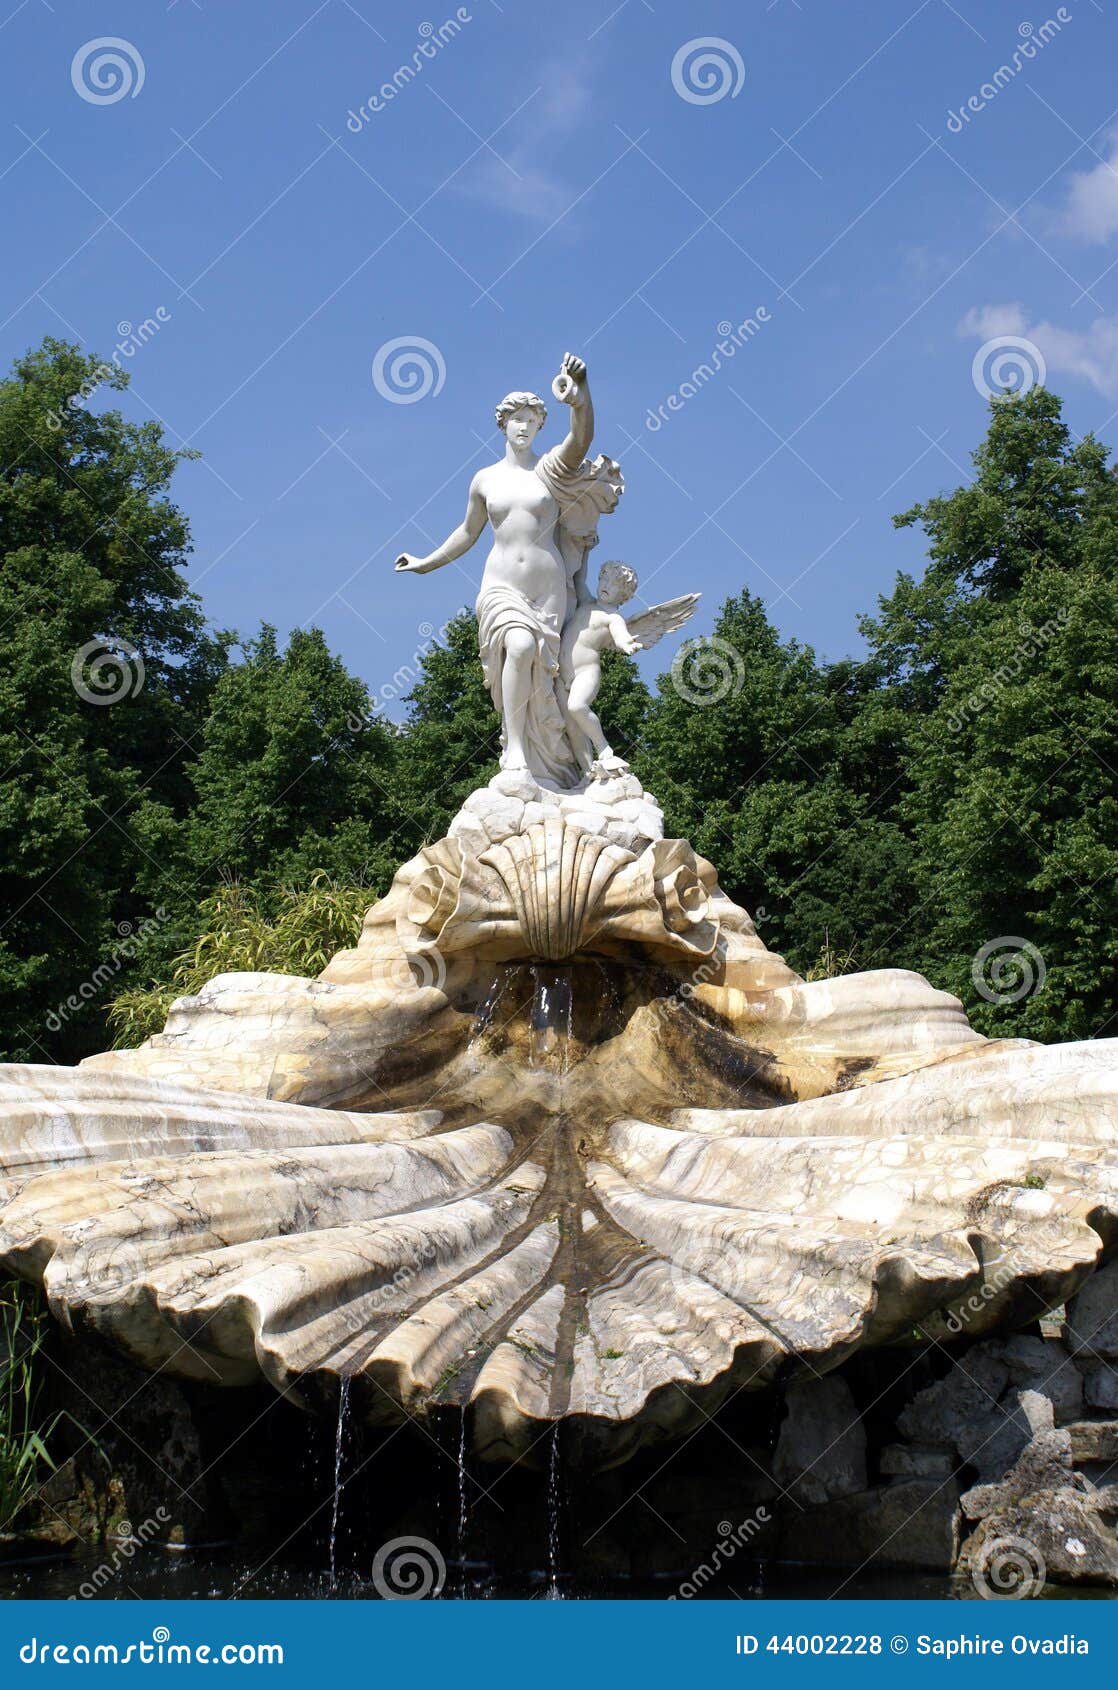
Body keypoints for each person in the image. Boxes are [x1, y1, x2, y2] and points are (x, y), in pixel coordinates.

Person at [395, 353, 622, 787]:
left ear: (540, 427)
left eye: (532, 420)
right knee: (517, 648)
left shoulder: (550, 470)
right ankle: (514, 749)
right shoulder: (485, 479)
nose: (523, 426)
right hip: (501, 586)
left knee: (550, 684)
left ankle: (554, 766)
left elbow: (582, 438)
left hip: (548, 589)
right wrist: (427, 562)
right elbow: (467, 531)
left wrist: (581, 394)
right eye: (515, 419)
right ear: (503, 424)